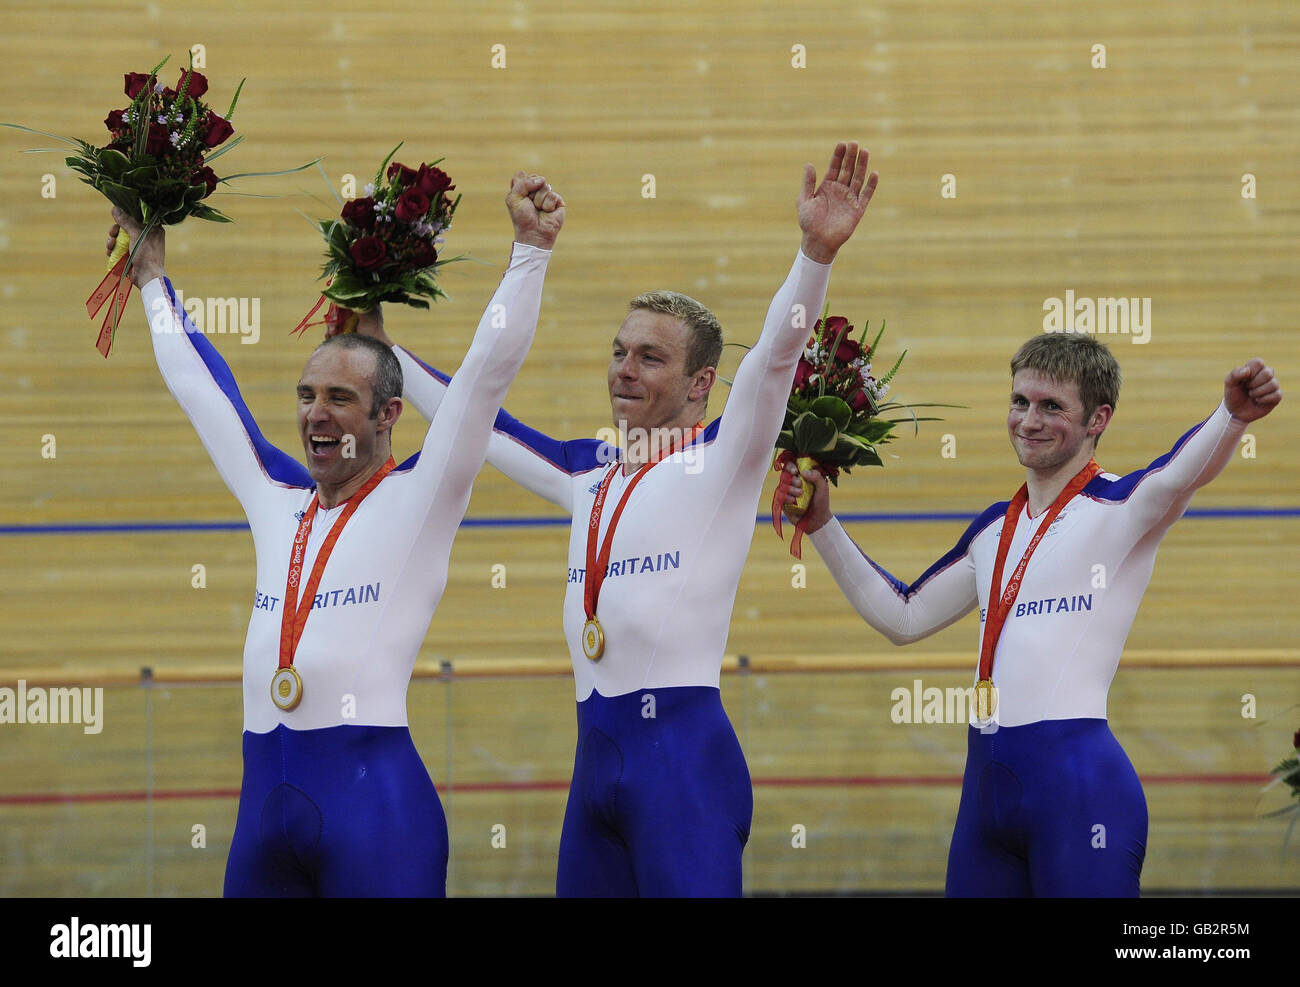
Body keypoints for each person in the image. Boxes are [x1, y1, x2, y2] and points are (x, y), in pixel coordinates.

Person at [354, 142, 879, 896]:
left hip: (684, 772)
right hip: (594, 770)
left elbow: (773, 357)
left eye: (649, 358)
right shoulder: (587, 471)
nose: (624, 370)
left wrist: (814, 256)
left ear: (701, 382)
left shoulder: (723, 458)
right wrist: (382, 350)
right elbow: (478, 416)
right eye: (619, 352)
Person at [106, 169, 565, 896]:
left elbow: (484, 377)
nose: (316, 414)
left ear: (388, 416)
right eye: (307, 396)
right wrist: (153, 277)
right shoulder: (275, 499)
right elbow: (203, 391)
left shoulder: (420, 498)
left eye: (341, 398)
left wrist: (530, 254)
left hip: (377, 816)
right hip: (263, 816)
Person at [782, 332, 1282, 896]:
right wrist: (822, 524)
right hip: (986, 796)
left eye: (1052, 407)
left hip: (1081, 792)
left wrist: (1231, 417)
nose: (1029, 420)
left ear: (1099, 419)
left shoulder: (1120, 507)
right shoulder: (995, 528)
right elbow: (904, 617)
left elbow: (1178, 473)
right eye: (1020, 401)